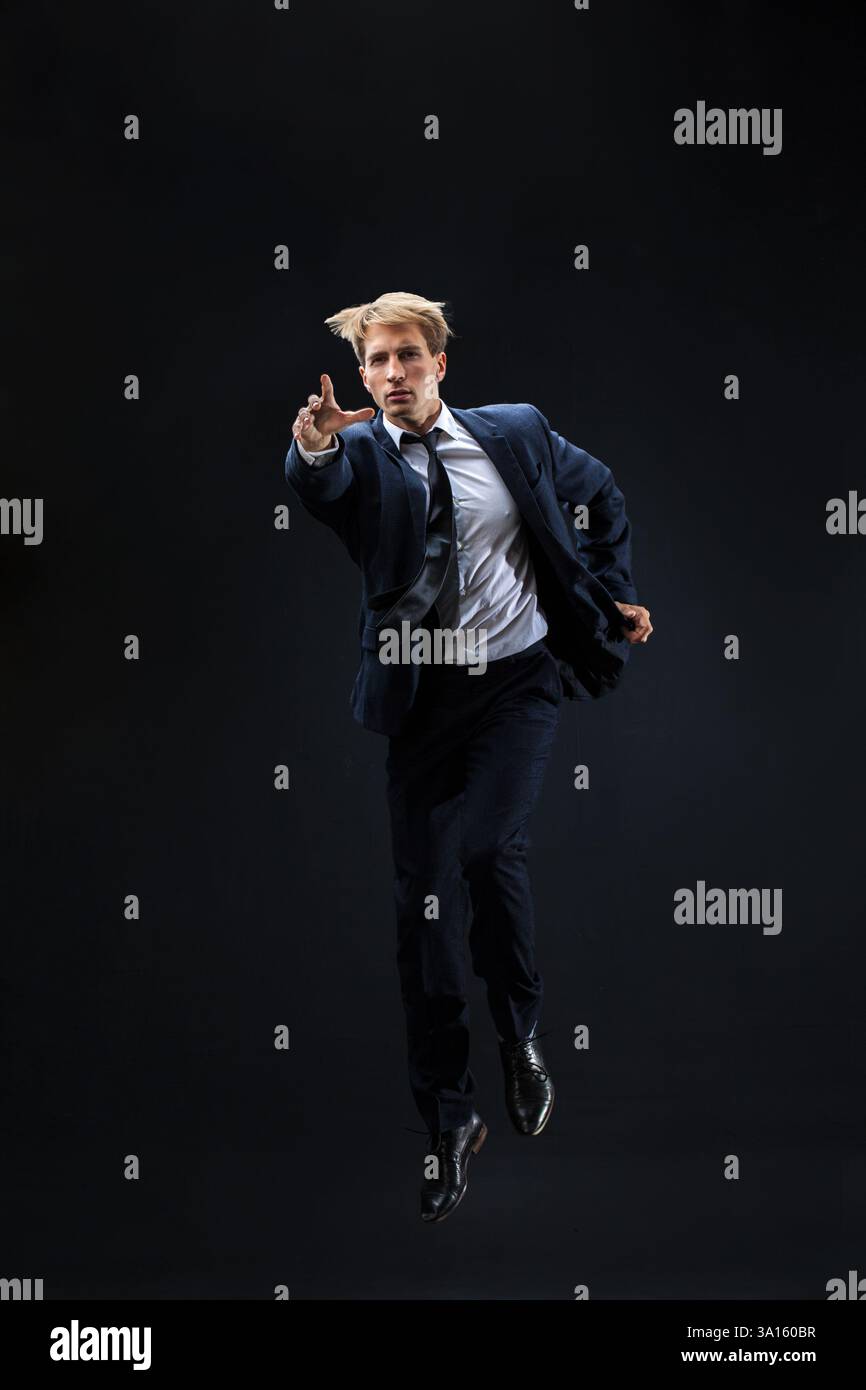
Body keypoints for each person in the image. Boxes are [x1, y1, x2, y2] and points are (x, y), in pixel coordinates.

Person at [284, 292, 653, 1223]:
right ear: (362, 376)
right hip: (422, 699)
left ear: (439, 363)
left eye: (408, 355)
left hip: (515, 685)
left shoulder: (514, 431)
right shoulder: (361, 458)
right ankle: (449, 1119)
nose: (393, 373)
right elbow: (321, 490)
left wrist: (610, 592)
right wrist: (316, 448)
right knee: (423, 915)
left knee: (490, 850)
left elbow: (600, 493)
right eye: (377, 361)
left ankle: (520, 1033)